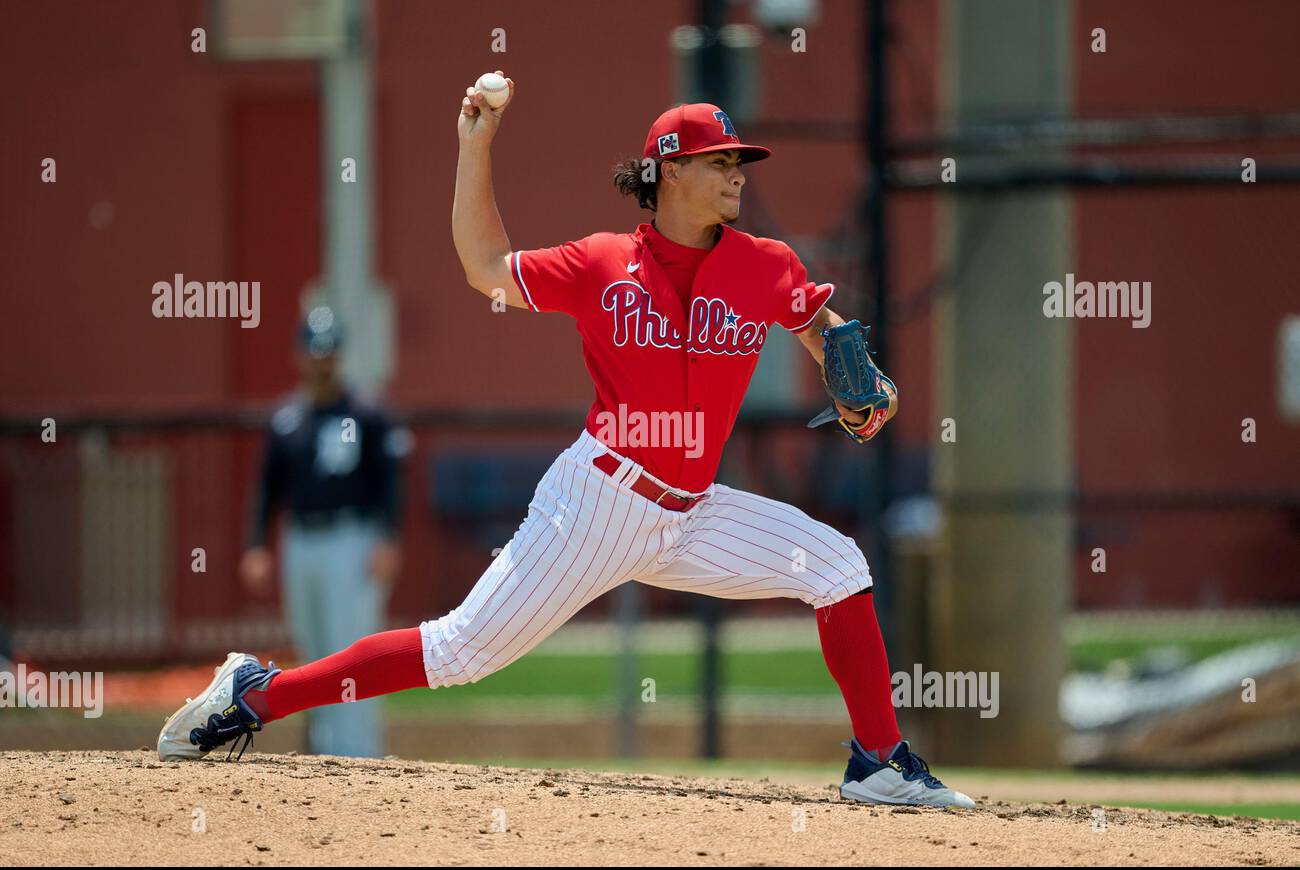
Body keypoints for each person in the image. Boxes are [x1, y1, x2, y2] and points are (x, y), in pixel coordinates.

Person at [158, 74, 974, 808]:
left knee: (839, 566)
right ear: (669, 172)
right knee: (459, 651)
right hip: (597, 500)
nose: (737, 173)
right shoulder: (603, 263)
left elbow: (819, 327)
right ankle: (256, 694)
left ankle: (878, 763)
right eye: (719, 159)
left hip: (690, 512)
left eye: (739, 160)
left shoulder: (763, 264)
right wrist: (475, 147)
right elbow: (484, 266)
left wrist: (864, 387)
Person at [234, 307, 407, 758]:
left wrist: (389, 538)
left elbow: (392, 478)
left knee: (350, 650)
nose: (321, 361)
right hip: (301, 540)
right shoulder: (287, 418)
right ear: (300, 356)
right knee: (311, 651)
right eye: (314, 352)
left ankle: (360, 754)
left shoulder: (367, 413)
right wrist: (256, 544)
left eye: (329, 353)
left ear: (340, 356)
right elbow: (267, 488)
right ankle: (325, 752)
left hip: (351, 539)